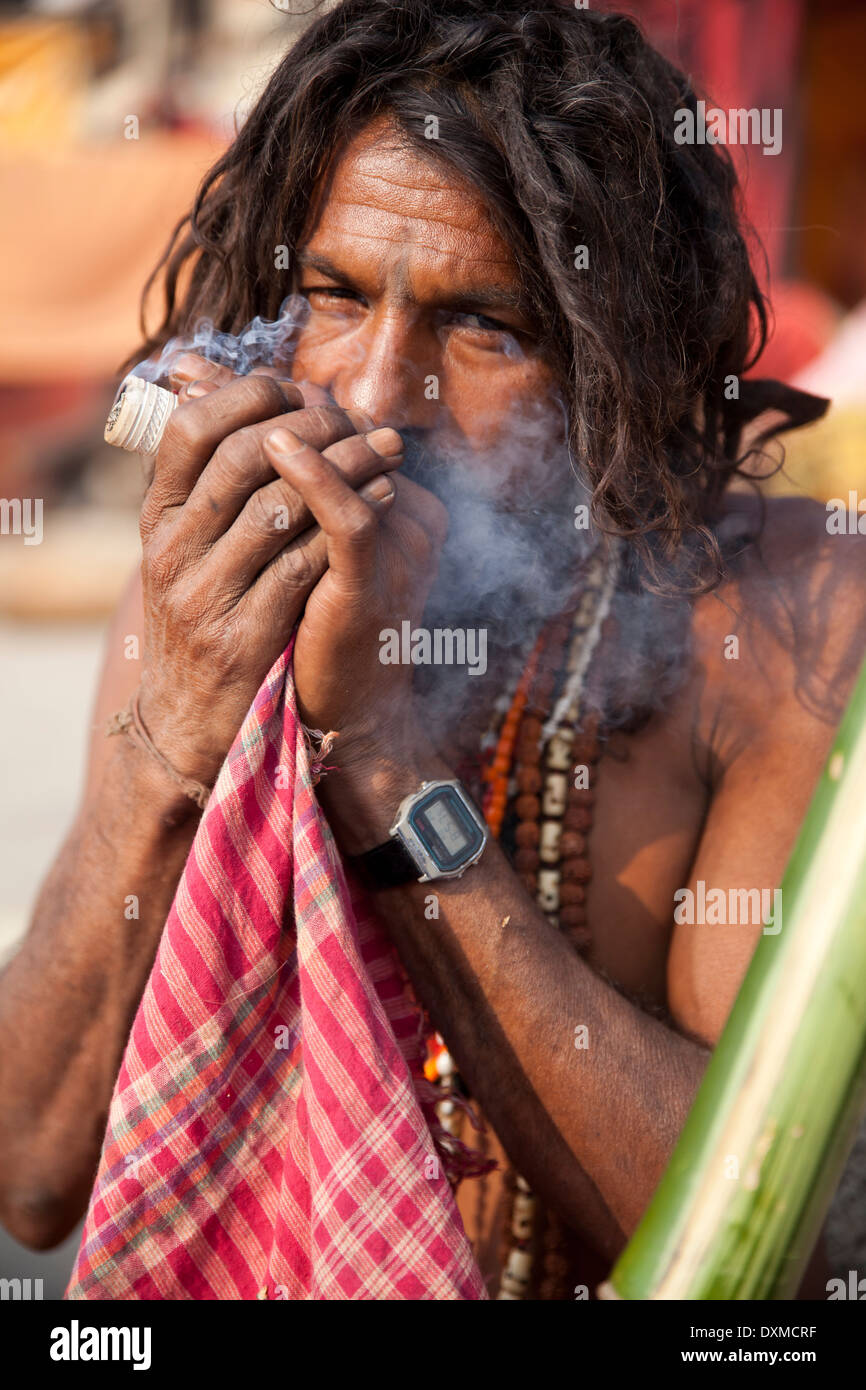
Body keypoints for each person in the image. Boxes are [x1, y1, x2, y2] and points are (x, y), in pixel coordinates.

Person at [1, 0, 862, 1298]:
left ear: (615, 366)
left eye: (485, 328)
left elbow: (752, 1249)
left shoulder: (785, 619)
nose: (373, 394)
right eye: (334, 296)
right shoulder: (223, 589)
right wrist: (177, 727)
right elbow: (29, 1170)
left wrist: (382, 765)